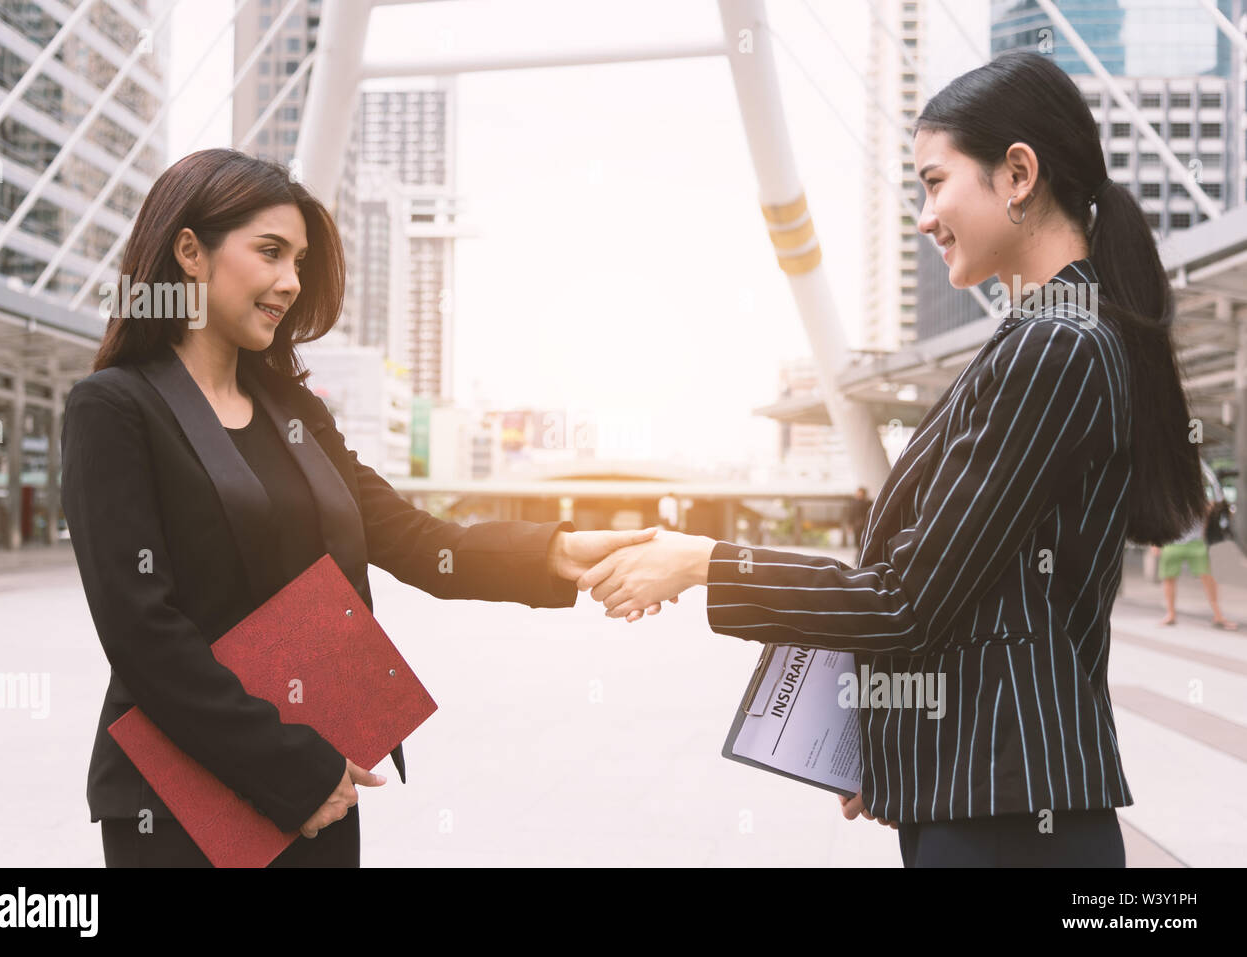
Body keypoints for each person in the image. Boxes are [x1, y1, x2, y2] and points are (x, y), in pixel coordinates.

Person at [575, 51, 1206, 867]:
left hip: (1010, 823)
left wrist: (704, 561)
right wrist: (911, 756)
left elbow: (909, 599)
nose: (923, 215)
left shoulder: (1057, 345)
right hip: (992, 801)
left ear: (1018, 173)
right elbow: (993, 605)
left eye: (934, 182)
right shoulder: (1050, 336)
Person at [62, 148, 668, 868]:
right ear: (190, 251)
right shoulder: (116, 408)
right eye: (270, 252)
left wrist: (553, 553)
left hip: (320, 782)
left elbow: (409, 536)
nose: (290, 281)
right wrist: (293, 768)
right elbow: (142, 632)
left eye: (299, 261)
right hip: (188, 802)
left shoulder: (292, 409)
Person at [1151, 501, 1238, 630]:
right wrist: (1156, 541)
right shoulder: (1169, 490)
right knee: (1168, 577)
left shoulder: (1198, 488)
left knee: (1208, 577)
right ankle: (1170, 614)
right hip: (1172, 541)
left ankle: (1218, 615)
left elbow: (1209, 510)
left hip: (1196, 542)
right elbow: (1160, 516)